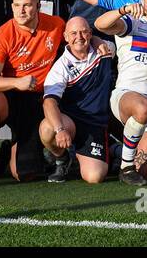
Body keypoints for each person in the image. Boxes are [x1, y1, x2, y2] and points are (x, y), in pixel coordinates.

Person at [0, 0, 65, 188]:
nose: (21, 11)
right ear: (11, 6)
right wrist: (17, 82)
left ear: (38, 6)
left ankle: (24, 151)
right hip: (12, 98)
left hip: (41, 99)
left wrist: (94, 40)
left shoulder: (56, 24)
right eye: (17, 5)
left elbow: (77, 34)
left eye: (27, 6)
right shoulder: (2, 36)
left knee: (24, 174)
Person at [94, 0, 147, 185]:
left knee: (146, 171)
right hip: (126, 94)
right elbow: (99, 25)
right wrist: (122, 10)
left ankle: (115, 149)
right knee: (142, 107)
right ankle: (125, 167)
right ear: (142, 1)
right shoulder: (132, 22)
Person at [40, 16, 115, 184]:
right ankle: (62, 159)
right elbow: (49, 102)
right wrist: (60, 129)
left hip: (96, 123)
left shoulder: (104, 51)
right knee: (47, 129)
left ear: (90, 34)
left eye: (84, 32)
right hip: (71, 123)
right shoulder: (60, 67)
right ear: (66, 37)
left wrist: (97, 40)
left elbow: (104, 39)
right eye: (73, 33)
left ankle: (113, 149)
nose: (79, 37)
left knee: (94, 177)